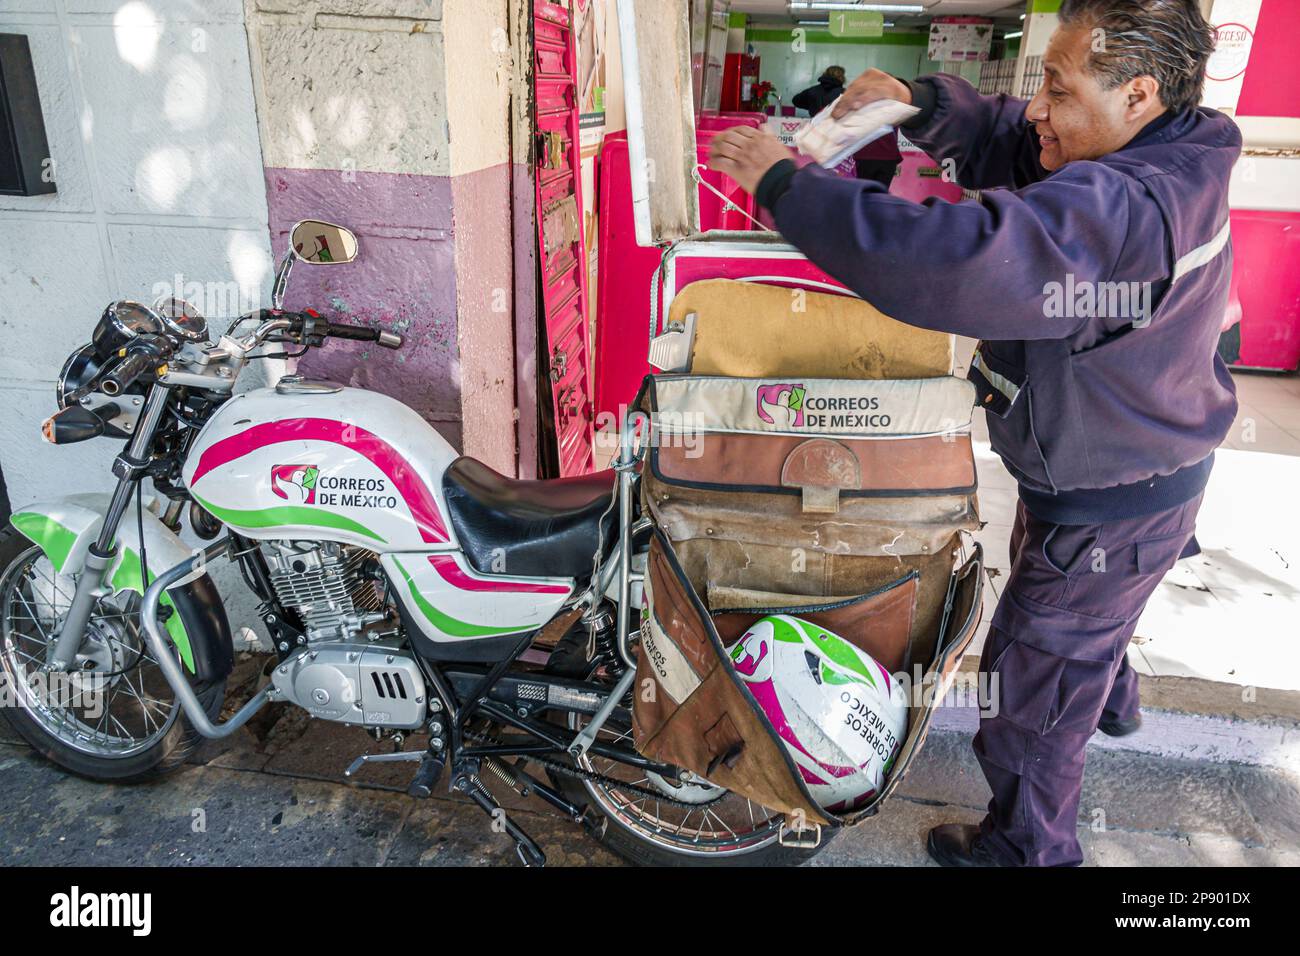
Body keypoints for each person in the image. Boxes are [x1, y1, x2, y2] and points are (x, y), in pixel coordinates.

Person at [708, 0, 1236, 867]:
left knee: (1030, 685)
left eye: (1057, 90)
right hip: (1124, 463)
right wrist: (916, 100)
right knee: (1085, 622)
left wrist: (785, 187)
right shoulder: (1176, 140)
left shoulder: (1126, 204)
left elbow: (962, 260)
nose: (1038, 108)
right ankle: (1110, 696)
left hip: (1112, 493)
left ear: (1137, 92)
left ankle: (1029, 848)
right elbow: (1013, 137)